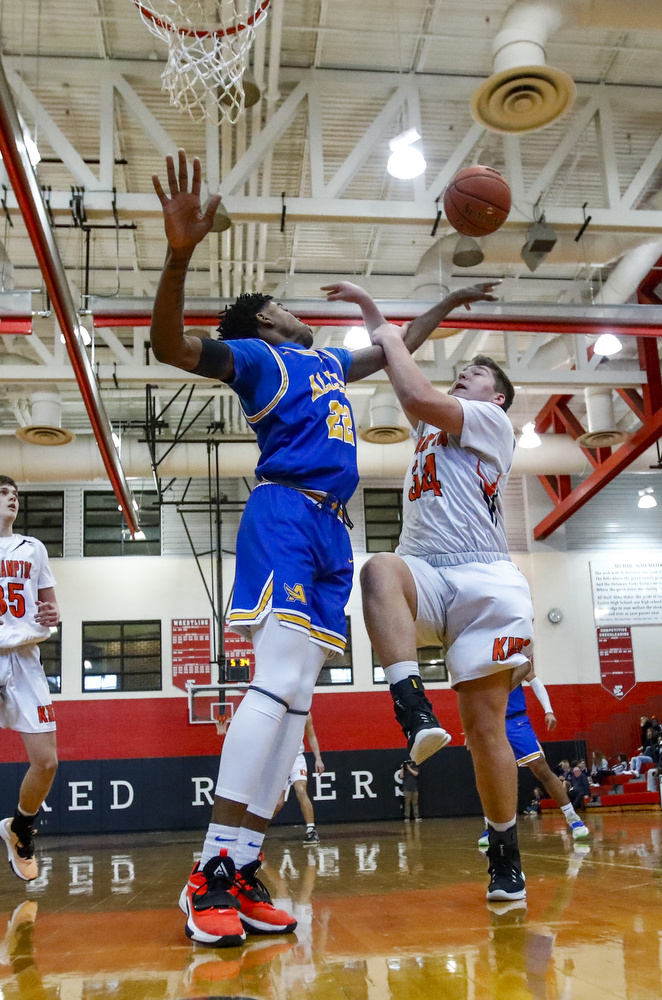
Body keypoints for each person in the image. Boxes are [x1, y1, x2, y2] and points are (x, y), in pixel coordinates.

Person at [150, 149, 498, 946]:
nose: (294, 307)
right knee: (273, 691)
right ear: (267, 317)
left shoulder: (327, 363)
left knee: (297, 706)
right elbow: (171, 347)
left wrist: (446, 301)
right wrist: (180, 253)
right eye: (281, 301)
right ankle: (205, 873)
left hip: (331, 532)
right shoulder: (260, 357)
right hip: (285, 517)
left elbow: (396, 348)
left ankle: (240, 866)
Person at [360, 323, 533, 902]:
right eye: (462, 372)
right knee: (379, 568)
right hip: (428, 569)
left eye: (476, 373)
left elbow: (410, 389)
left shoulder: (490, 421)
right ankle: (413, 711)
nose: (464, 376)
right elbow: (399, 367)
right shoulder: (431, 429)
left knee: (485, 733)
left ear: (497, 397)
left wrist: (384, 333)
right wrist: (372, 314)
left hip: (485, 579)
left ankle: (505, 854)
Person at [0, 476, 61, 883]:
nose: (12, 499)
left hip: (23, 657)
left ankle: (19, 827)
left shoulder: (32, 548)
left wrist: (52, 618)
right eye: (3, 493)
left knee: (47, 761)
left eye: (15, 495)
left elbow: (51, 609)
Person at [478, 667, 589, 848]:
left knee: (541, 768)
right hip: (492, 723)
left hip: (516, 721)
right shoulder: (480, 658)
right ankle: (491, 827)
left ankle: (573, 818)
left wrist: (549, 710)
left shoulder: (512, 653)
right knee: (492, 777)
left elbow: (534, 681)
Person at [274, 713, 324, 845]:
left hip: (297, 757)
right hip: (279, 759)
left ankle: (311, 830)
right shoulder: (278, 710)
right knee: (278, 804)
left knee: (301, 790)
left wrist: (318, 759)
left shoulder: (305, 713)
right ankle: (255, 830)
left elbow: (311, 736)